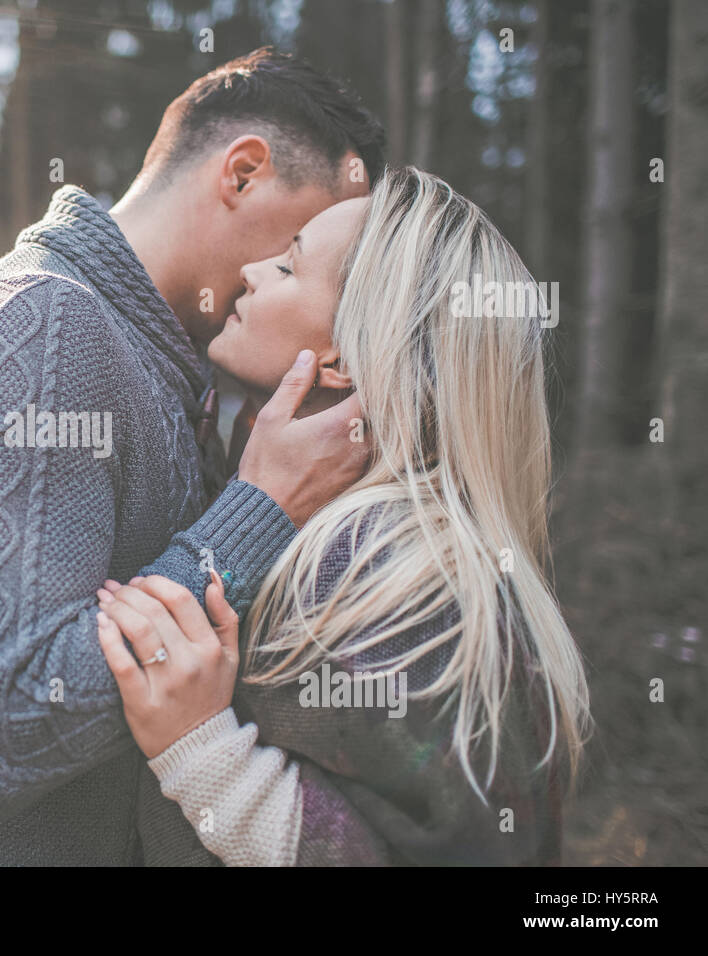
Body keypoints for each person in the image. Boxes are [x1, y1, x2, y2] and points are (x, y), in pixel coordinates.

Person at [0, 48, 385, 865]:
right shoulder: (38, 325)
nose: (285, 279)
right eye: (301, 242)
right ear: (243, 172)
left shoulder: (166, 363)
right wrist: (261, 510)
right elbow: (5, 727)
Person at [96, 166, 593, 865]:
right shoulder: (342, 530)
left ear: (339, 358)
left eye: (288, 264)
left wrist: (203, 752)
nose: (250, 269)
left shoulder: (387, 569)